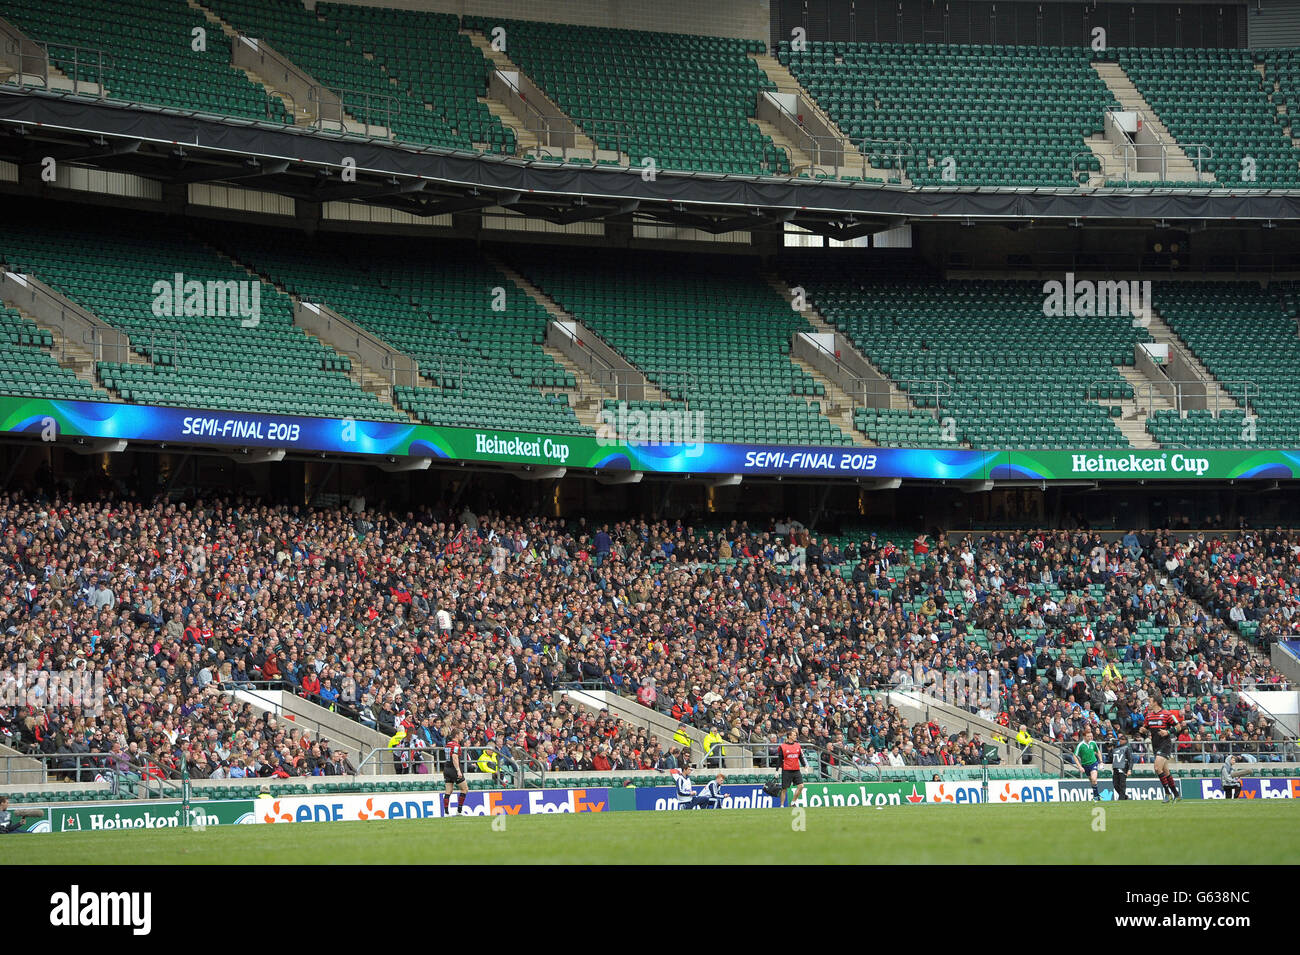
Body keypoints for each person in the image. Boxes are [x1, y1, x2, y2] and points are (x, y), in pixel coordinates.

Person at [1144, 706, 1184, 803]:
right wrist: (1143, 730)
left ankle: (1167, 793)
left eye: (1150, 701)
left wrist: (1168, 732)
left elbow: (1178, 726)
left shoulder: (1167, 714)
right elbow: (1145, 729)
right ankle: (1177, 794)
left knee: (1157, 768)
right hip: (1155, 745)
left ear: (1155, 702)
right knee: (1165, 771)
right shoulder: (1148, 716)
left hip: (1165, 744)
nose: (1149, 703)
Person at [442, 729, 469, 817]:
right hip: (454, 769)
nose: (462, 737)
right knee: (464, 789)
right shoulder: (456, 745)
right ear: (456, 735)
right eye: (461, 735)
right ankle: (459, 811)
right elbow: (454, 757)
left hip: (446, 769)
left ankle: (446, 813)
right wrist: (458, 770)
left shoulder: (448, 744)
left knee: (448, 790)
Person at [1072, 727, 1102, 802]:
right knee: (1092, 781)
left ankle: (1095, 797)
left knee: (1094, 779)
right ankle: (1097, 795)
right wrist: (1079, 766)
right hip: (1085, 765)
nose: (1090, 738)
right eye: (1088, 736)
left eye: (1091, 736)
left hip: (1093, 763)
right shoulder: (1080, 745)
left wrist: (1101, 761)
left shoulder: (1093, 743)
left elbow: (1098, 752)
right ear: (1084, 737)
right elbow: (1074, 755)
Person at [777, 734, 805, 808]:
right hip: (786, 769)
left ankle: (793, 802)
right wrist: (777, 770)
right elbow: (779, 759)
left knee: (801, 786)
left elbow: (800, 757)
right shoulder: (783, 746)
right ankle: (782, 805)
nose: (795, 736)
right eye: (794, 735)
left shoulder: (797, 745)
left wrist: (804, 765)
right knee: (784, 789)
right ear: (789, 736)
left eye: (796, 735)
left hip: (796, 769)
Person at [1110, 733, 1134, 801]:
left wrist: (1129, 769)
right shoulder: (1116, 747)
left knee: (1122, 784)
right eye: (1120, 739)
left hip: (1123, 767)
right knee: (1115, 784)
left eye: (1122, 739)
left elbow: (1131, 759)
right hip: (1116, 767)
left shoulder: (1127, 748)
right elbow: (1111, 757)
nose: (1120, 740)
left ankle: (1121, 799)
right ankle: (1124, 796)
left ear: (1126, 740)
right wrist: (1110, 749)